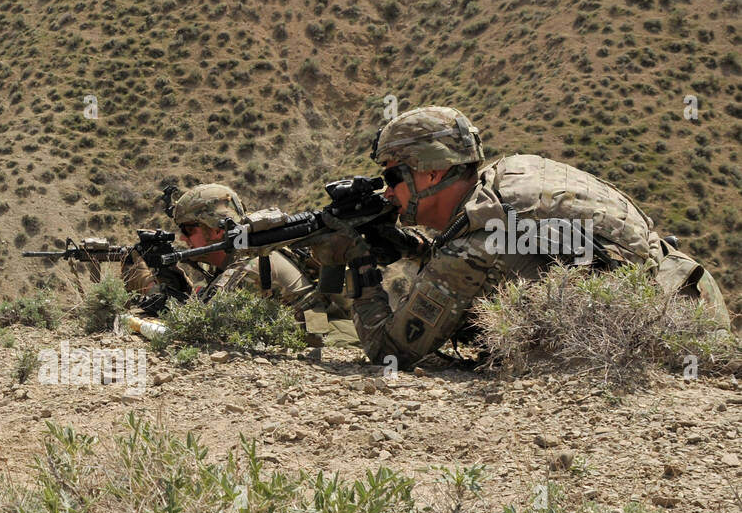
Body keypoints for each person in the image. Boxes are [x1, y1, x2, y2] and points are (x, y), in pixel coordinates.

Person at [352, 105, 732, 369]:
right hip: (691, 288)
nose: (388, 193)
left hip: (674, 339)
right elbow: (511, 253)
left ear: (431, 172)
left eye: (393, 178)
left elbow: (390, 351)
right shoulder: (508, 177)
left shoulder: (473, 247)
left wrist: (359, 268)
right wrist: (413, 249)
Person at [165, 183, 358, 346]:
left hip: (330, 343)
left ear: (216, 230)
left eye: (188, 229)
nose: (182, 237)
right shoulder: (237, 254)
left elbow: (196, 326)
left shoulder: (250, 265)